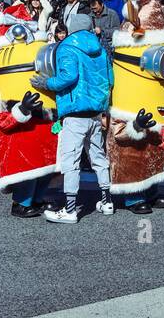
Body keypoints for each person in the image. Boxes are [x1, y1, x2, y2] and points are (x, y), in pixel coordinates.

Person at [30, 12, 112, 223]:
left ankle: (70, 210)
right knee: (98, 158)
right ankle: (107, 201)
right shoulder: (100, 48)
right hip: (95, 112)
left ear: (71, 27)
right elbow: (109, 79)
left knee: (71, 161)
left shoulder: (67, 46)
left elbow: (68, 77)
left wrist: (46, 83)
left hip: (75, 112)